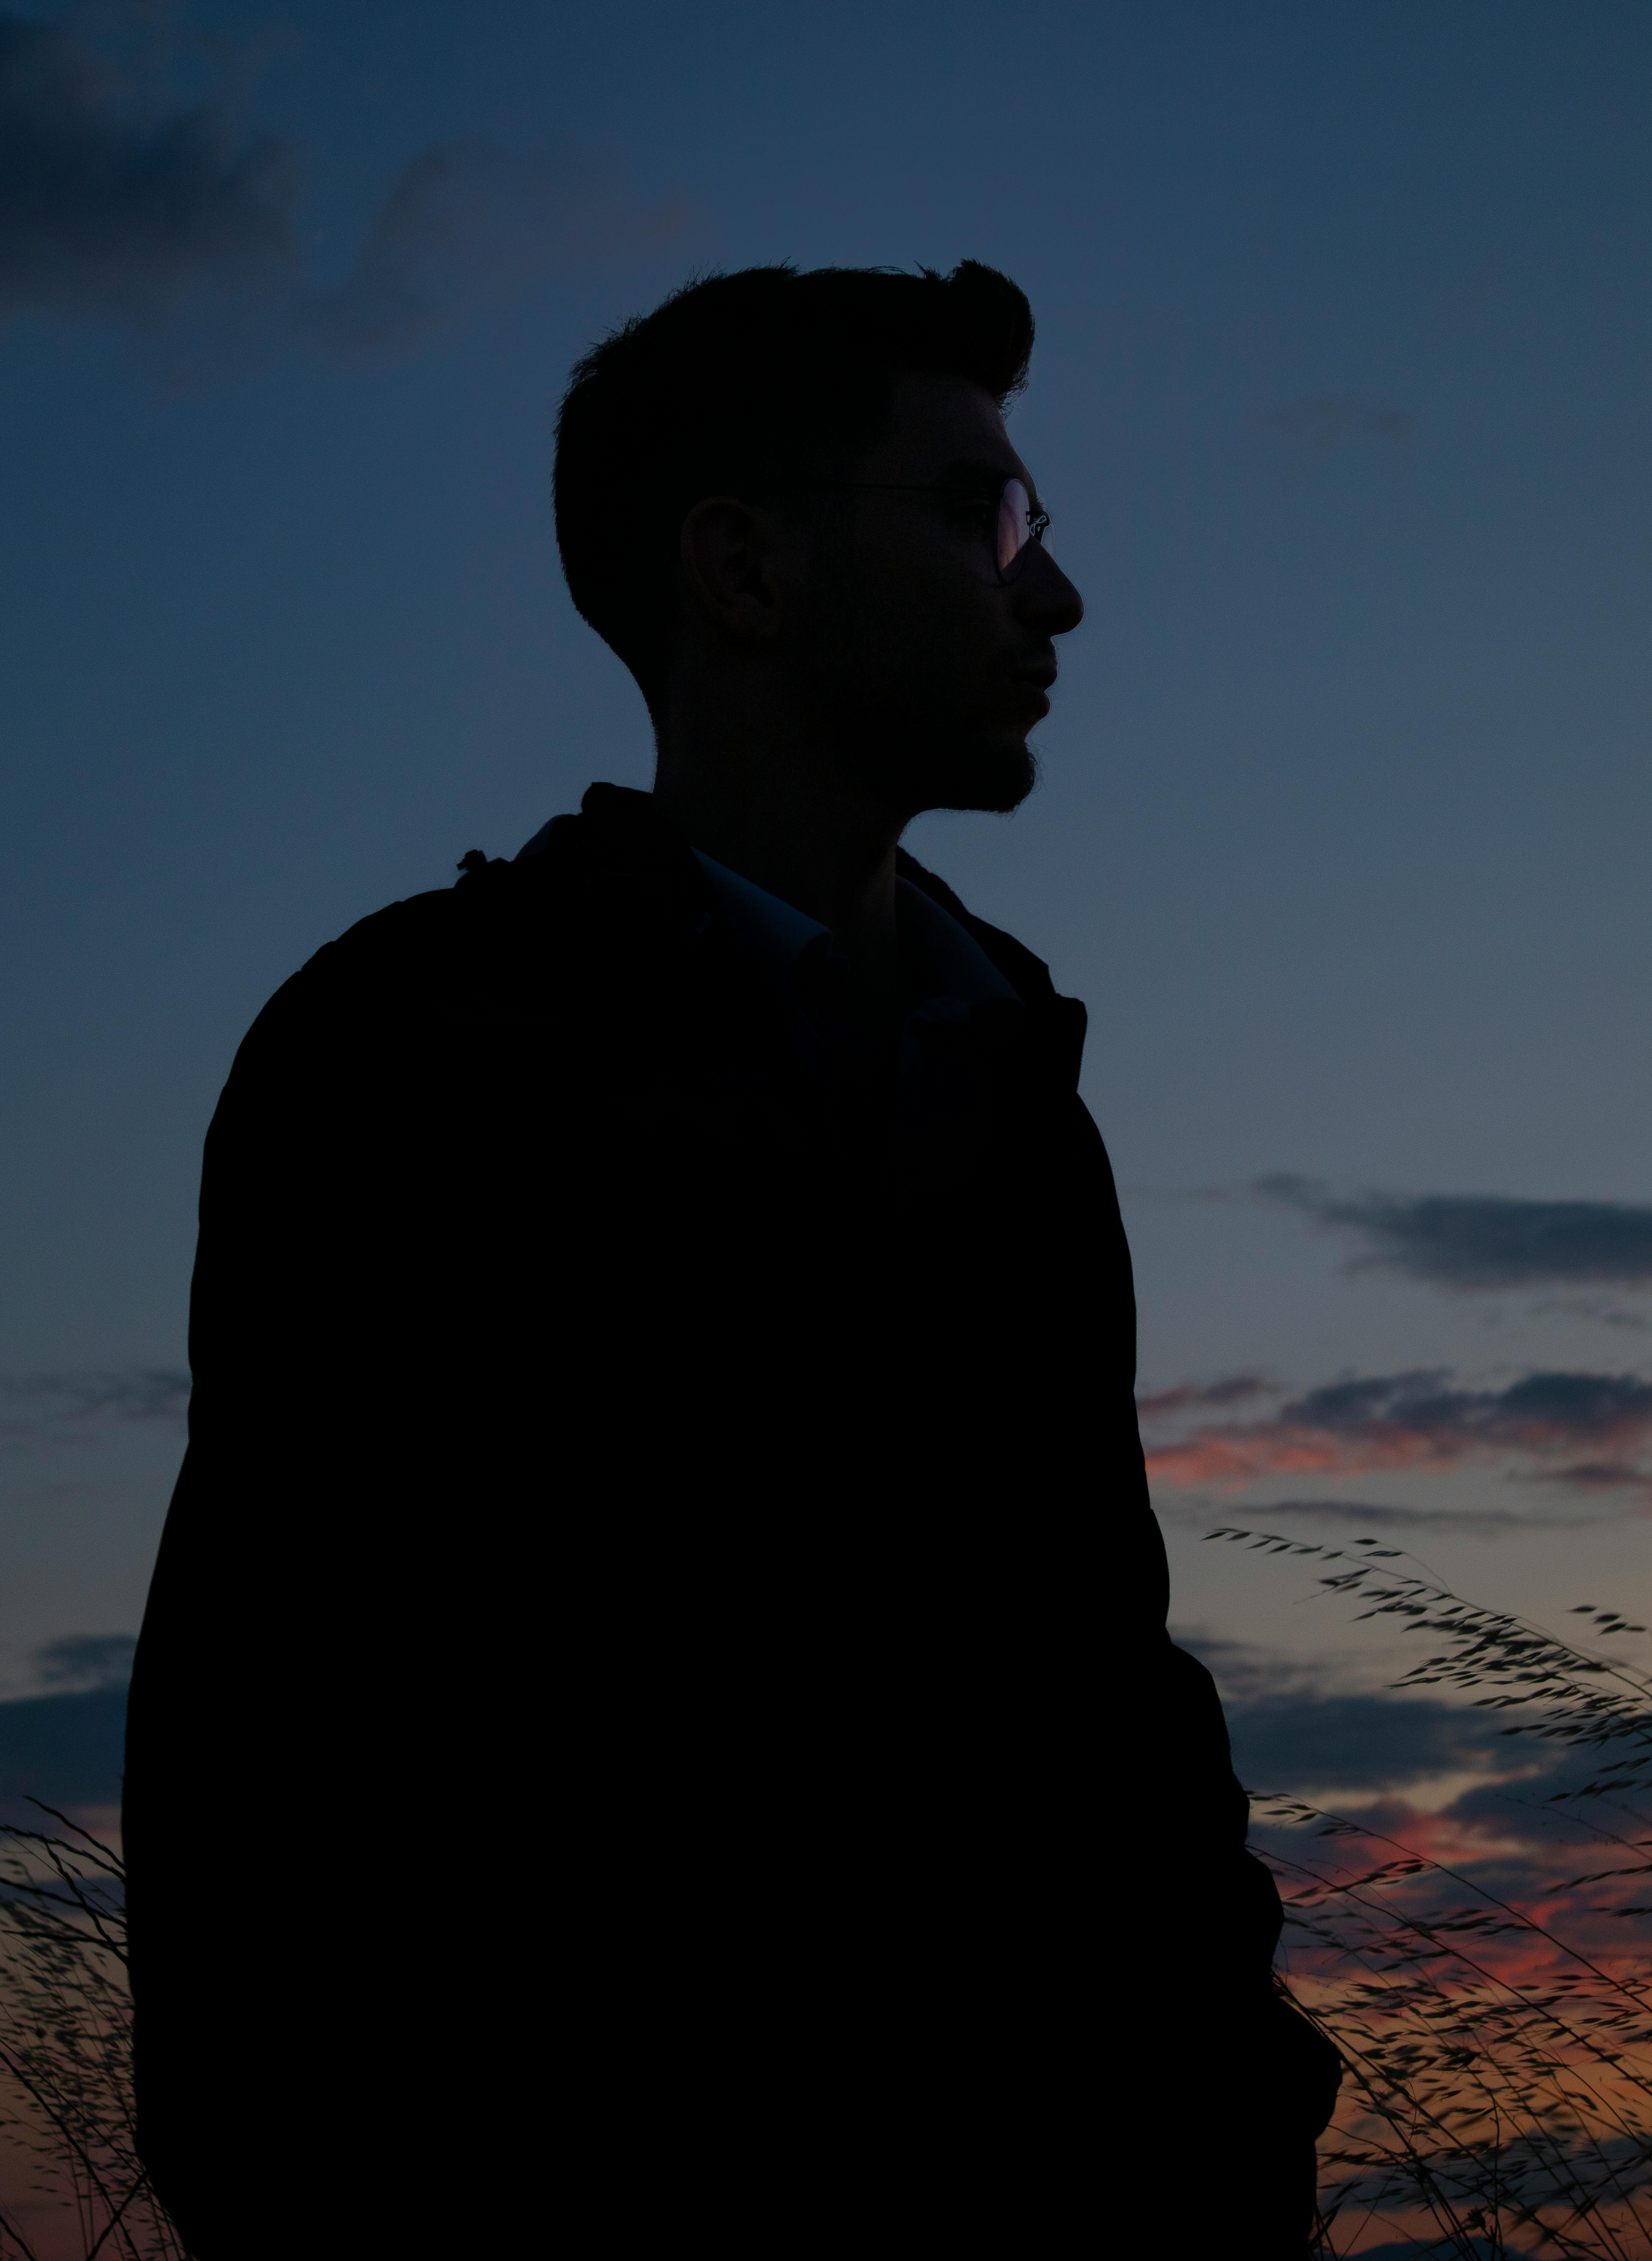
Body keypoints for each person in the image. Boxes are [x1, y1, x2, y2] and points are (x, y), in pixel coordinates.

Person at [125, 260, 1338, 2257]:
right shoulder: (414, 1051)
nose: (1051, 594)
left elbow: (1108, 1695)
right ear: (742, 570)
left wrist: (1240, 2141)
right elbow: (263, 1772)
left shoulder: (1016, 1097)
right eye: (980, 517)